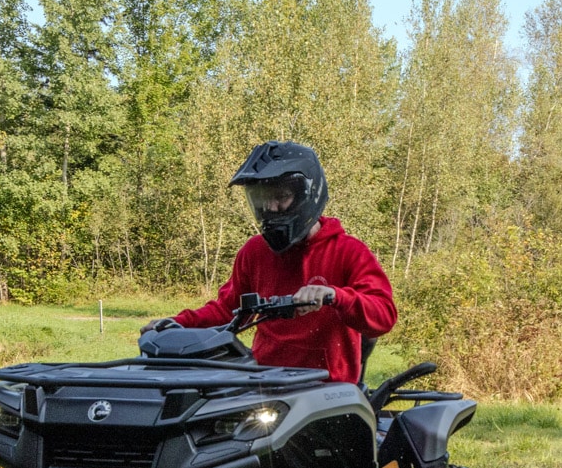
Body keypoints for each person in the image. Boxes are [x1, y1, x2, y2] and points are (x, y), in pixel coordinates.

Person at [143, 141, 395, 384]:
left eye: (281, 197)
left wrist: (335, 296)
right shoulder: (255, 252)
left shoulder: (348, 251)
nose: (270, 208)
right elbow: (228, 311)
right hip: (265, 383)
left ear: (307, 194)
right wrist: (176, 324)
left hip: (328, 388)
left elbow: (383, 315)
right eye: (262, 199)